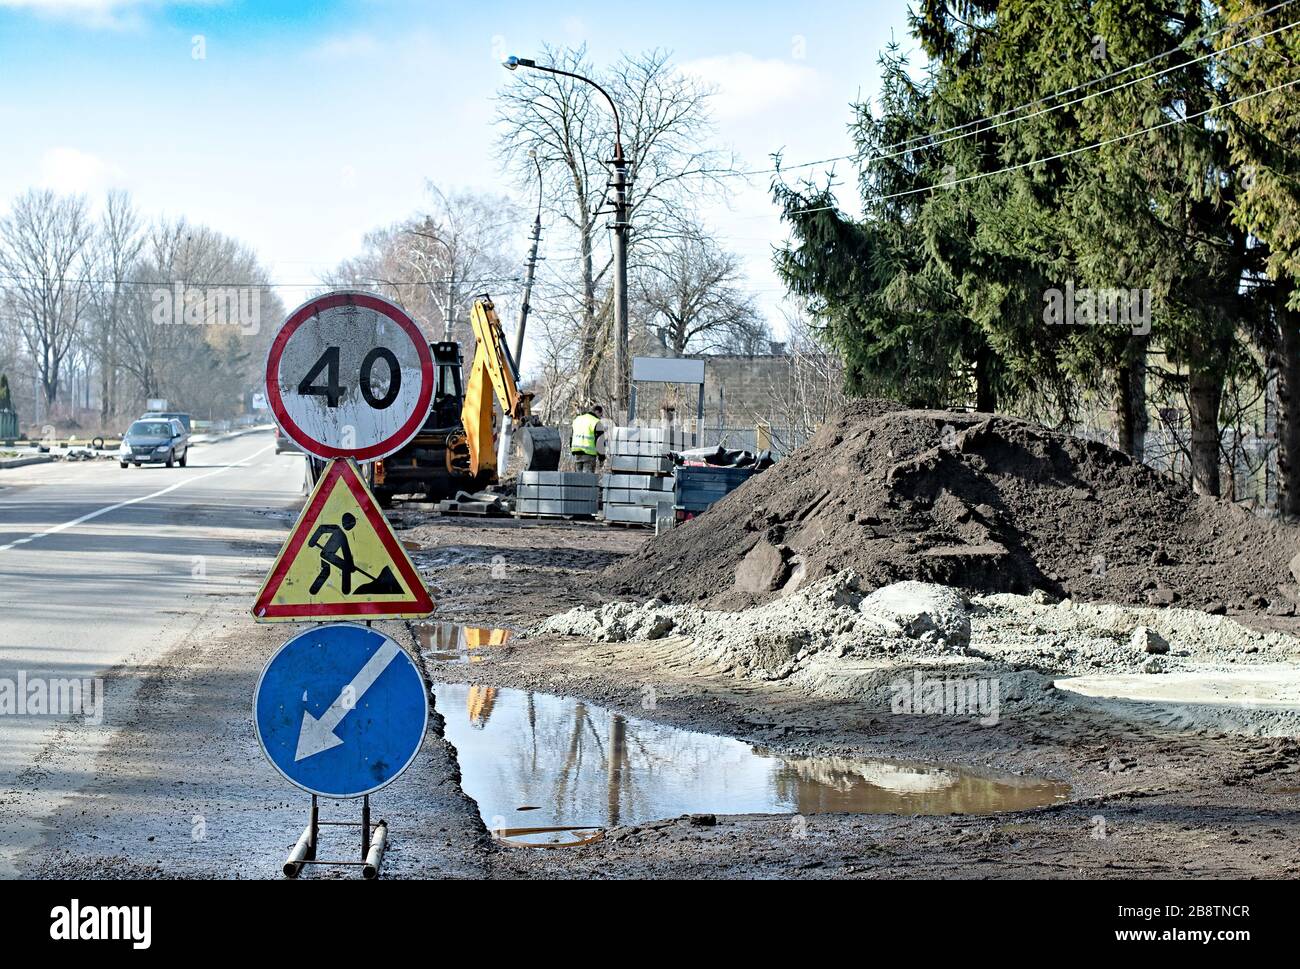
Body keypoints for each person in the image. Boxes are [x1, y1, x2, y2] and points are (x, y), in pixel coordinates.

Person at [571, 404, 603, 473]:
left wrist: (572, 449)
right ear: (597, 412)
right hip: (589, 455)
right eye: (600, 415)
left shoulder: (577, 419)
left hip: (577, 454)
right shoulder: (596, 422)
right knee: (587, 480)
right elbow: (600, 442)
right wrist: (601, 458)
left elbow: (572, 436)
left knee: (578, 479)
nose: (600, 418)